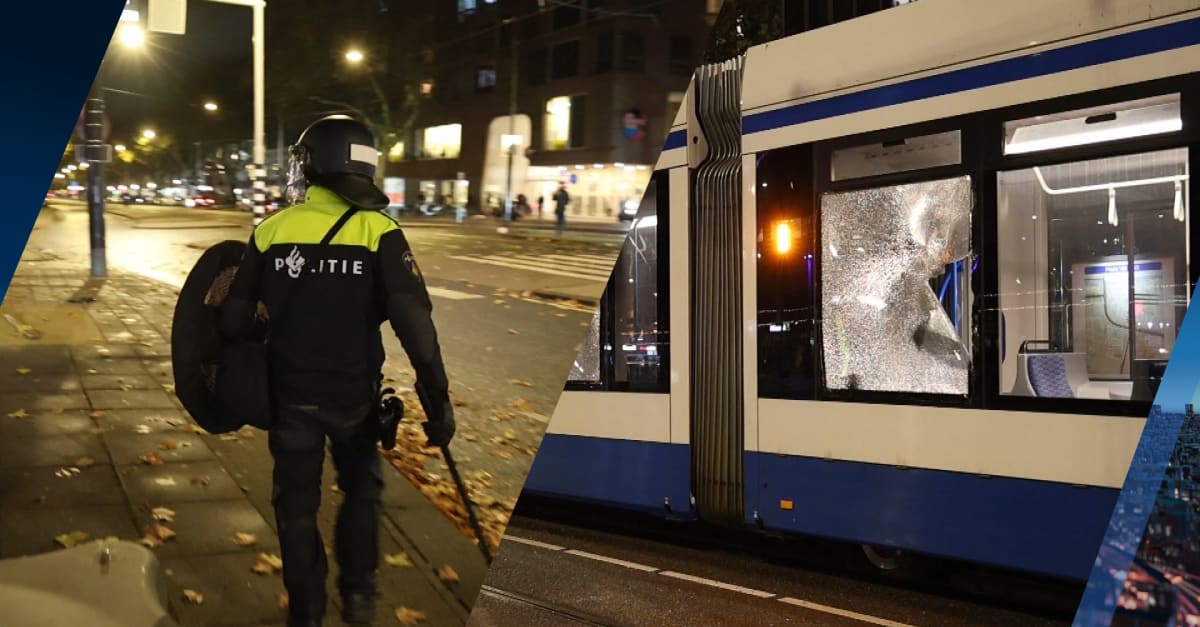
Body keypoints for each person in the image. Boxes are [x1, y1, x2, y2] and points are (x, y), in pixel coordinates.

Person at [218, 115, 456, 627]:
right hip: (354, 400)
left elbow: (234, 322)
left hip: (291, 401)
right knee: (362, 491)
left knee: (296, 507)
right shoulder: (380, 231)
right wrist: (437, 398)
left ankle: (305, 612)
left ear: (313, 164)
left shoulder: (271, 230)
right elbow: (415, 323)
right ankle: (358, 598)